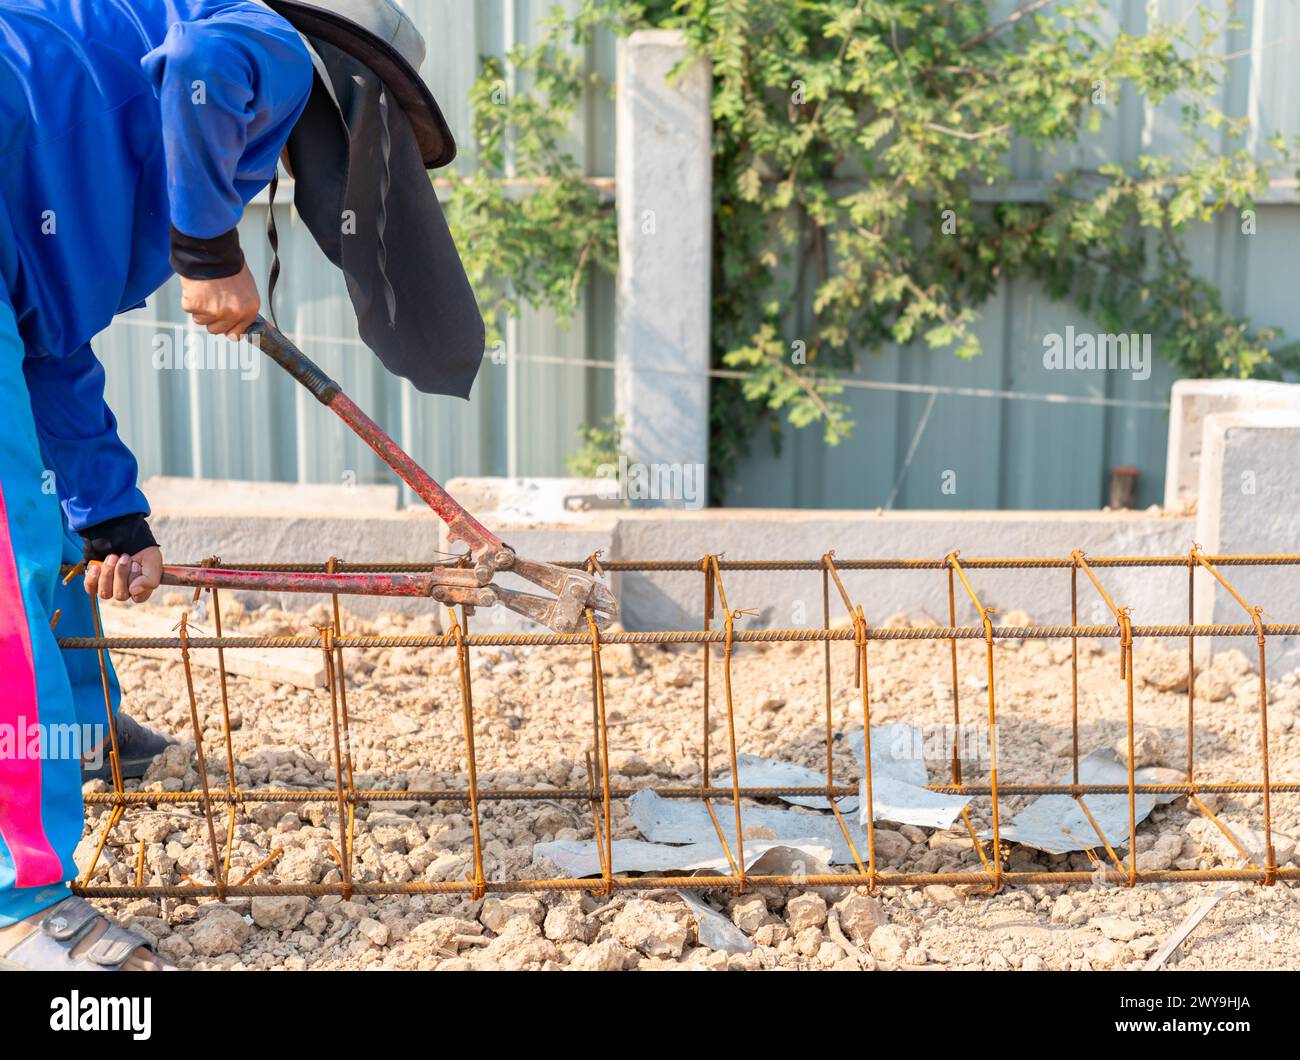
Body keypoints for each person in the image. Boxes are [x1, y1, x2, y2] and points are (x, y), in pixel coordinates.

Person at [0, 0, 483, 970]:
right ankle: (19, 901)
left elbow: (48, 341)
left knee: (46, 523)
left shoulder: (95, 122)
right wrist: (209, 254)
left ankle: (79, 728)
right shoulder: (265, 36)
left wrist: (114, 516)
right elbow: (200, 66)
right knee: (7, 563)